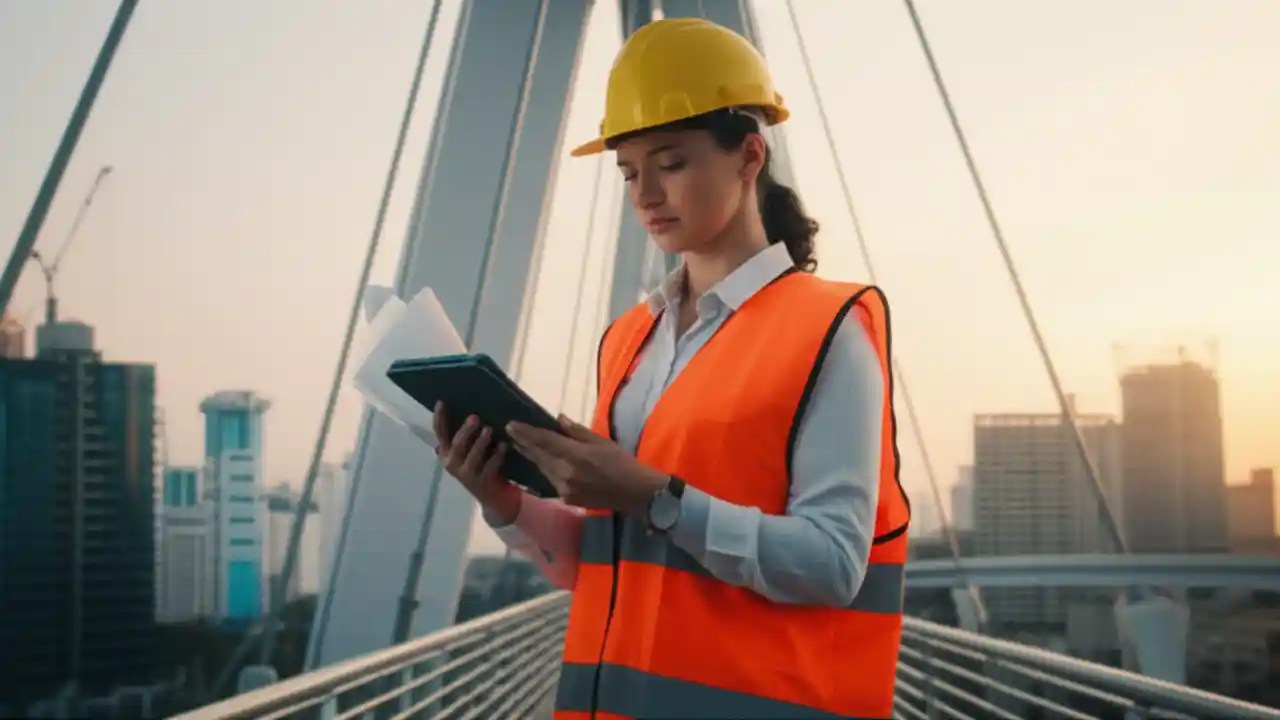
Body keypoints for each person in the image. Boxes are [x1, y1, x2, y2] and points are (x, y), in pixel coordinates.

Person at [432, 17, 909, 720]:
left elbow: (834, 564)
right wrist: (505, 502)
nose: (644, 194)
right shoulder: (627, 341)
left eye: (671, 162)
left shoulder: (830, 328)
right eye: (628, 171)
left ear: (750, 156)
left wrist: (656, 495)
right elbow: (603, 561)